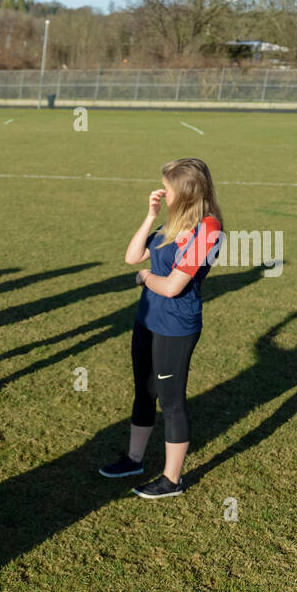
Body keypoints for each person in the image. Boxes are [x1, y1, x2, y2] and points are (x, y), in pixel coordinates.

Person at [99, 158, 223, 498]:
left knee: (171, 402)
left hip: (175, 327)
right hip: (147, 320)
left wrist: (144, 278)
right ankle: (134, 459)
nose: (161, 193)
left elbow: (171, 287)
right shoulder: (173, 222)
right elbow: (132, 255)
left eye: (166, 189)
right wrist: (150, 215)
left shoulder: (209, 230)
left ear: (184, 192)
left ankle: (172, 480)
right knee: (144, 391)